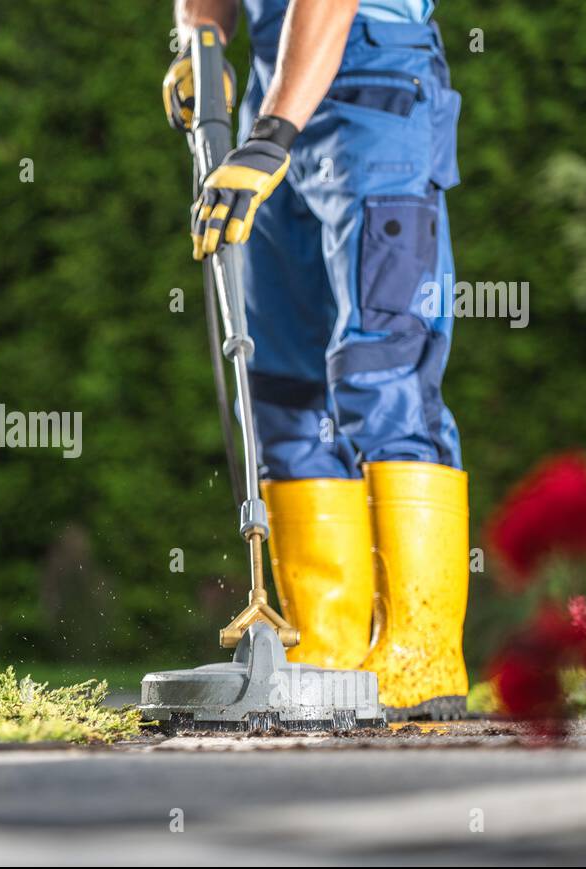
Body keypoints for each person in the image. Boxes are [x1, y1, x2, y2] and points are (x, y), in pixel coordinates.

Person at [164, 0, 469, 719]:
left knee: (381, 365)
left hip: (372, 79)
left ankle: (420, 653)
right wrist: (198, 42)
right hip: (280, 90)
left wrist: (273, 132)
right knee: (278, 385)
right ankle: (324, 648)